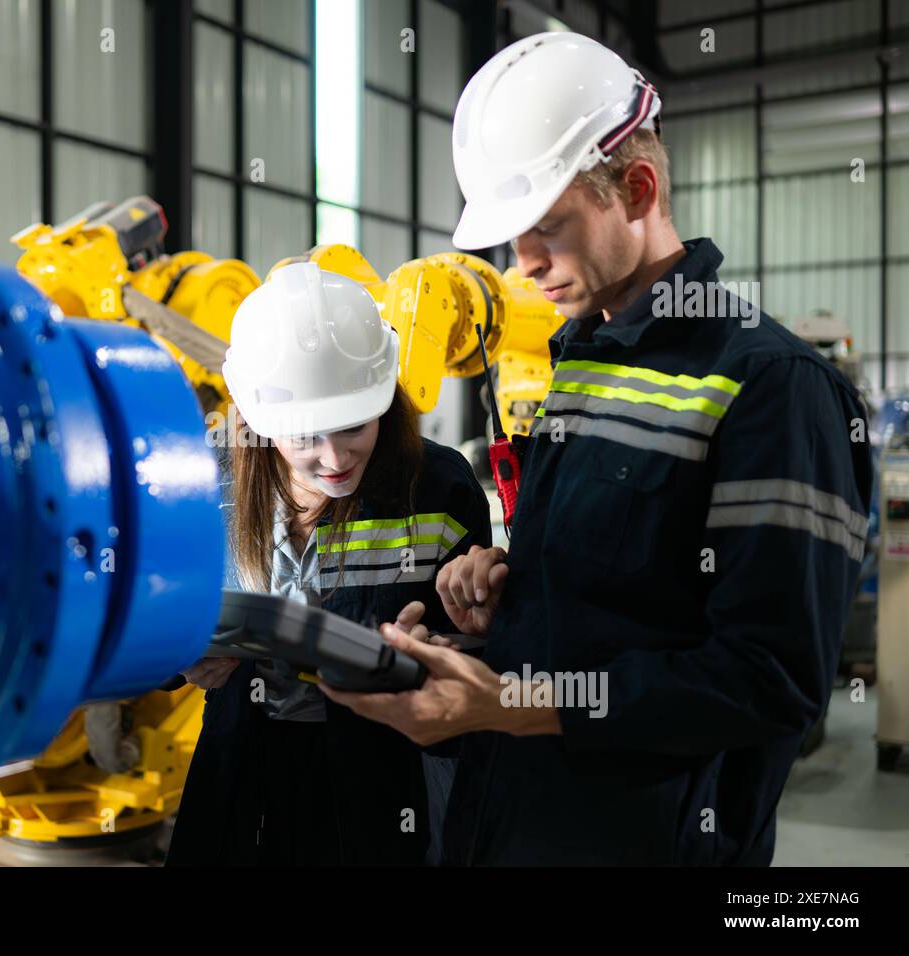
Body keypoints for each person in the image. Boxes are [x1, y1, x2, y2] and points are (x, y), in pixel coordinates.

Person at [322, 32, 874, 865]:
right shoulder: (577, 364)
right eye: (513, 237)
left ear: (638, 187)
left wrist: (510, 702)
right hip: (507, 822)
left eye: (548, 228)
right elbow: (608, 605)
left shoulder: (770, 385)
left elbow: (771, 679)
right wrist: (484, 613)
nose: (525, 264)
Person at [166, 261, 490, 865]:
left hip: (385, 774)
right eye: (303, 438)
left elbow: (478, 646)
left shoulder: (438, 487)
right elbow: (162, 611)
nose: (334, 458)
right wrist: (181, 659)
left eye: (353, 427)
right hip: (245, 761)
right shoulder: (213, 485)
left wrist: (443, 646)